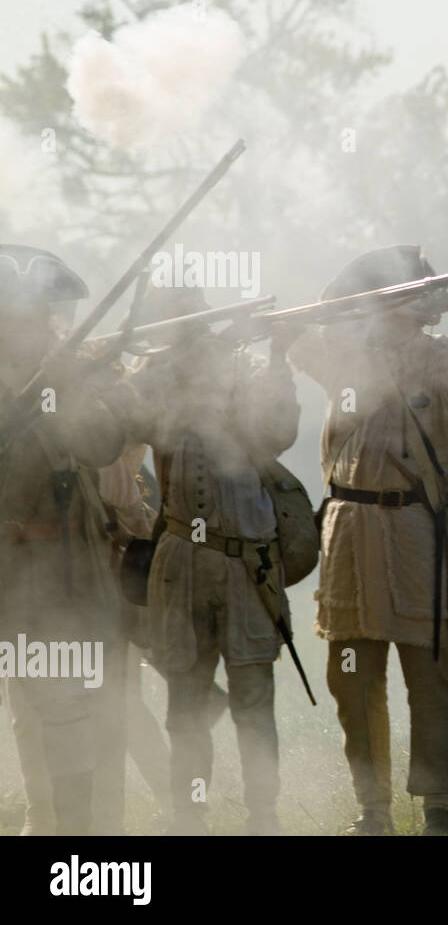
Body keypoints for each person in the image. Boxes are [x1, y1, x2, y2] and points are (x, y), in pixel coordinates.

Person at [286, 245, 448, 835]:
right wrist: (359, 284)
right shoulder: (344, 354)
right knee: (352, 674)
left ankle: (437, 807)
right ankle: (373, 810)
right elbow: (303, 328)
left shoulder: (441, 358)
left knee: (427, 671)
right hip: (350, 527)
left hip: (416, 526)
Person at [129, 284, 300, 835]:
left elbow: (277, 432)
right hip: (182, 558)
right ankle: (189, 819)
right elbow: (131, 421)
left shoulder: (242, 367)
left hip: (245, 560)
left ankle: (264, 820)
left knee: (253, 701)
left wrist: (276, 357)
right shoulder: (157, 374)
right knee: (187, 704)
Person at [0, 244, 131, 835]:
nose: (42, 324)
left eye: (43, 314)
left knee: (74, 703)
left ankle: (76, 832)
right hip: (18, 571)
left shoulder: (59, 375)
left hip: (73, 570)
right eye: (24, 315)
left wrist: (75, 382)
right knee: (49, 706)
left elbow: (103, 444)